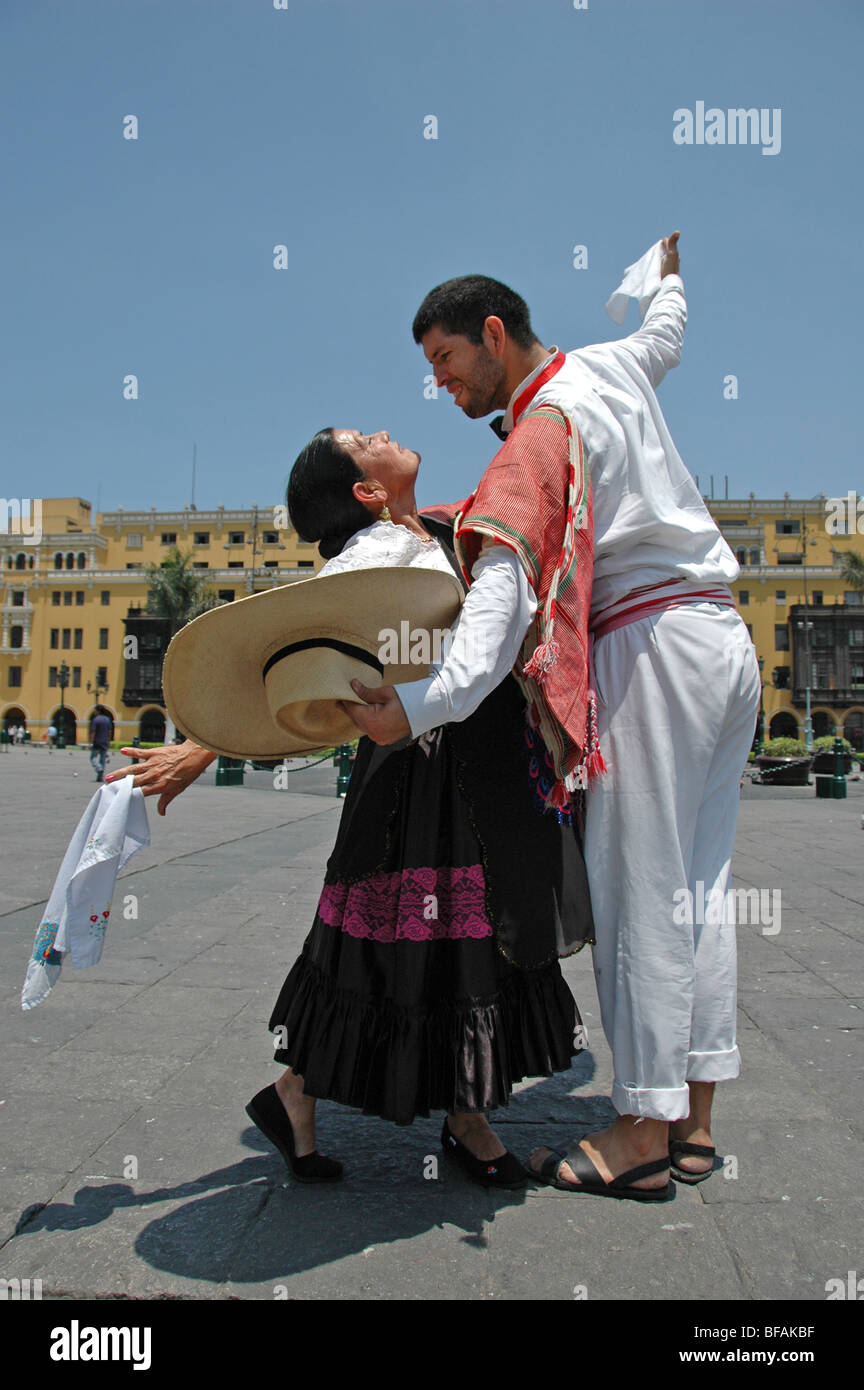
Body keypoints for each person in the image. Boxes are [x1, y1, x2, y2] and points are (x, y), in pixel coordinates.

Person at [349, 233, 759, 1200]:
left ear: (494, 333)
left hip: (648, 647)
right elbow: (667, 332)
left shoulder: (539, 433)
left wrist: (416, 707)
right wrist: (656, 274)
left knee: (642, 895)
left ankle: (641, 1134)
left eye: (447, 362)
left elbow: (497, 614)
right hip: (719, 637)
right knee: (701, 886)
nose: (442, 387)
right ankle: (695, 1120)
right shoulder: (608, 366)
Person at [108, 426, 594, 1188]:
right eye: (364, 439)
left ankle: (461, 1112)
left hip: (471, 767)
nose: (385, 432)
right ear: (366, 490)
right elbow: (299, 665)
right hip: (413, 780)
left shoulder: (437, 527)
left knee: (469, 938)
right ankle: (302, 1093)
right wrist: (203, 744)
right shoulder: (368, 558)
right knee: (393, 944)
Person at [89, 705, 112, 782]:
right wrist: (108, 741)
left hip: (97, 742)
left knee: (92, 758)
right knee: (102, 759)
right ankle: (100, 775)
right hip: (105, 742)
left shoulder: (96, 720)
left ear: (98, 711)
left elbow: (93, 732)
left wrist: (91, 742)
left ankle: (99, 769)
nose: (94, 712)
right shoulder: (107, 719)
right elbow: (109, 732)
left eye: (95, 710)